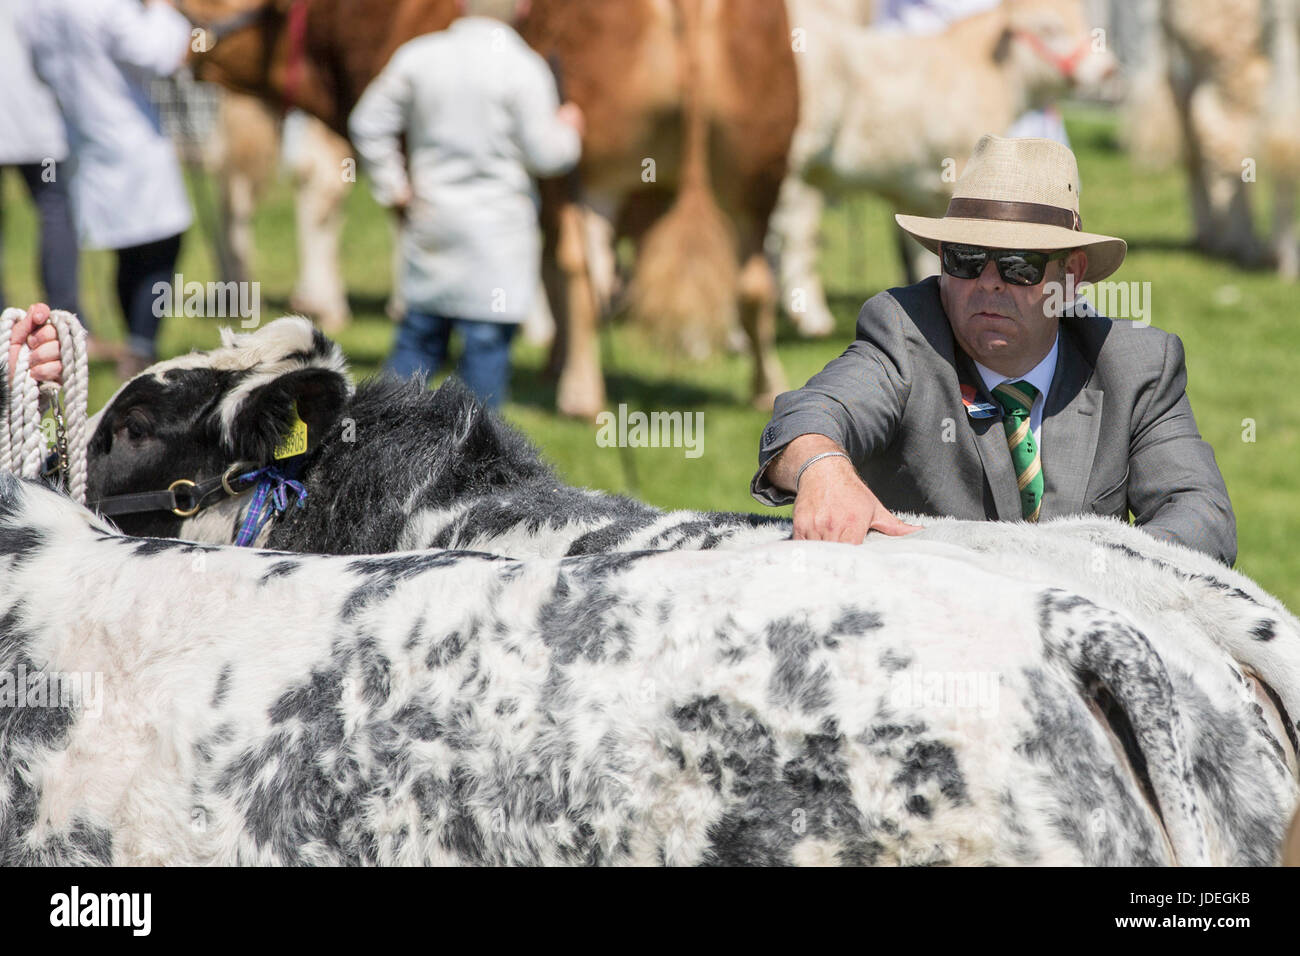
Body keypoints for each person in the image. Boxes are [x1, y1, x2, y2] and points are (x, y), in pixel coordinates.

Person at [752, 134, 1236, 566]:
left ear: (1069, 276)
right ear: (941, 261)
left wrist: (1097, 577)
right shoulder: (904, 332)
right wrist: (822, 468)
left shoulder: (1137, 365)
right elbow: (810, 415)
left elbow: (1202, 516)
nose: (987, 284)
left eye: (1018, 265)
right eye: (965, 259)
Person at [349, 0, 584, 408]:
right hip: (497, 241)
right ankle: (473, 460)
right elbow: (547, 155)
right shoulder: (523, 66)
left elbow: (366, 122)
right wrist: (569, 131)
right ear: (523, 8)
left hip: (433, 225)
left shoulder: (421, 55)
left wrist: (394, 186)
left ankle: (378, 443)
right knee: (485, 356)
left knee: (418, 341)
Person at [18, 0, 194, 380]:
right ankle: (141, 345)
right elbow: (162, 54)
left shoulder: (36, 7)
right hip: (132, 134)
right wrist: (164, 8)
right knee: (161, 244)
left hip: (85, 136)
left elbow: (37, 65)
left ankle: (137, 343)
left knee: (129, 249)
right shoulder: (106, 5)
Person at [0, 3, 85, 333]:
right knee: (55, 208)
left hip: (34, 132)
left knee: (54, 209)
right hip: (38, 133)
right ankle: (65, 316)